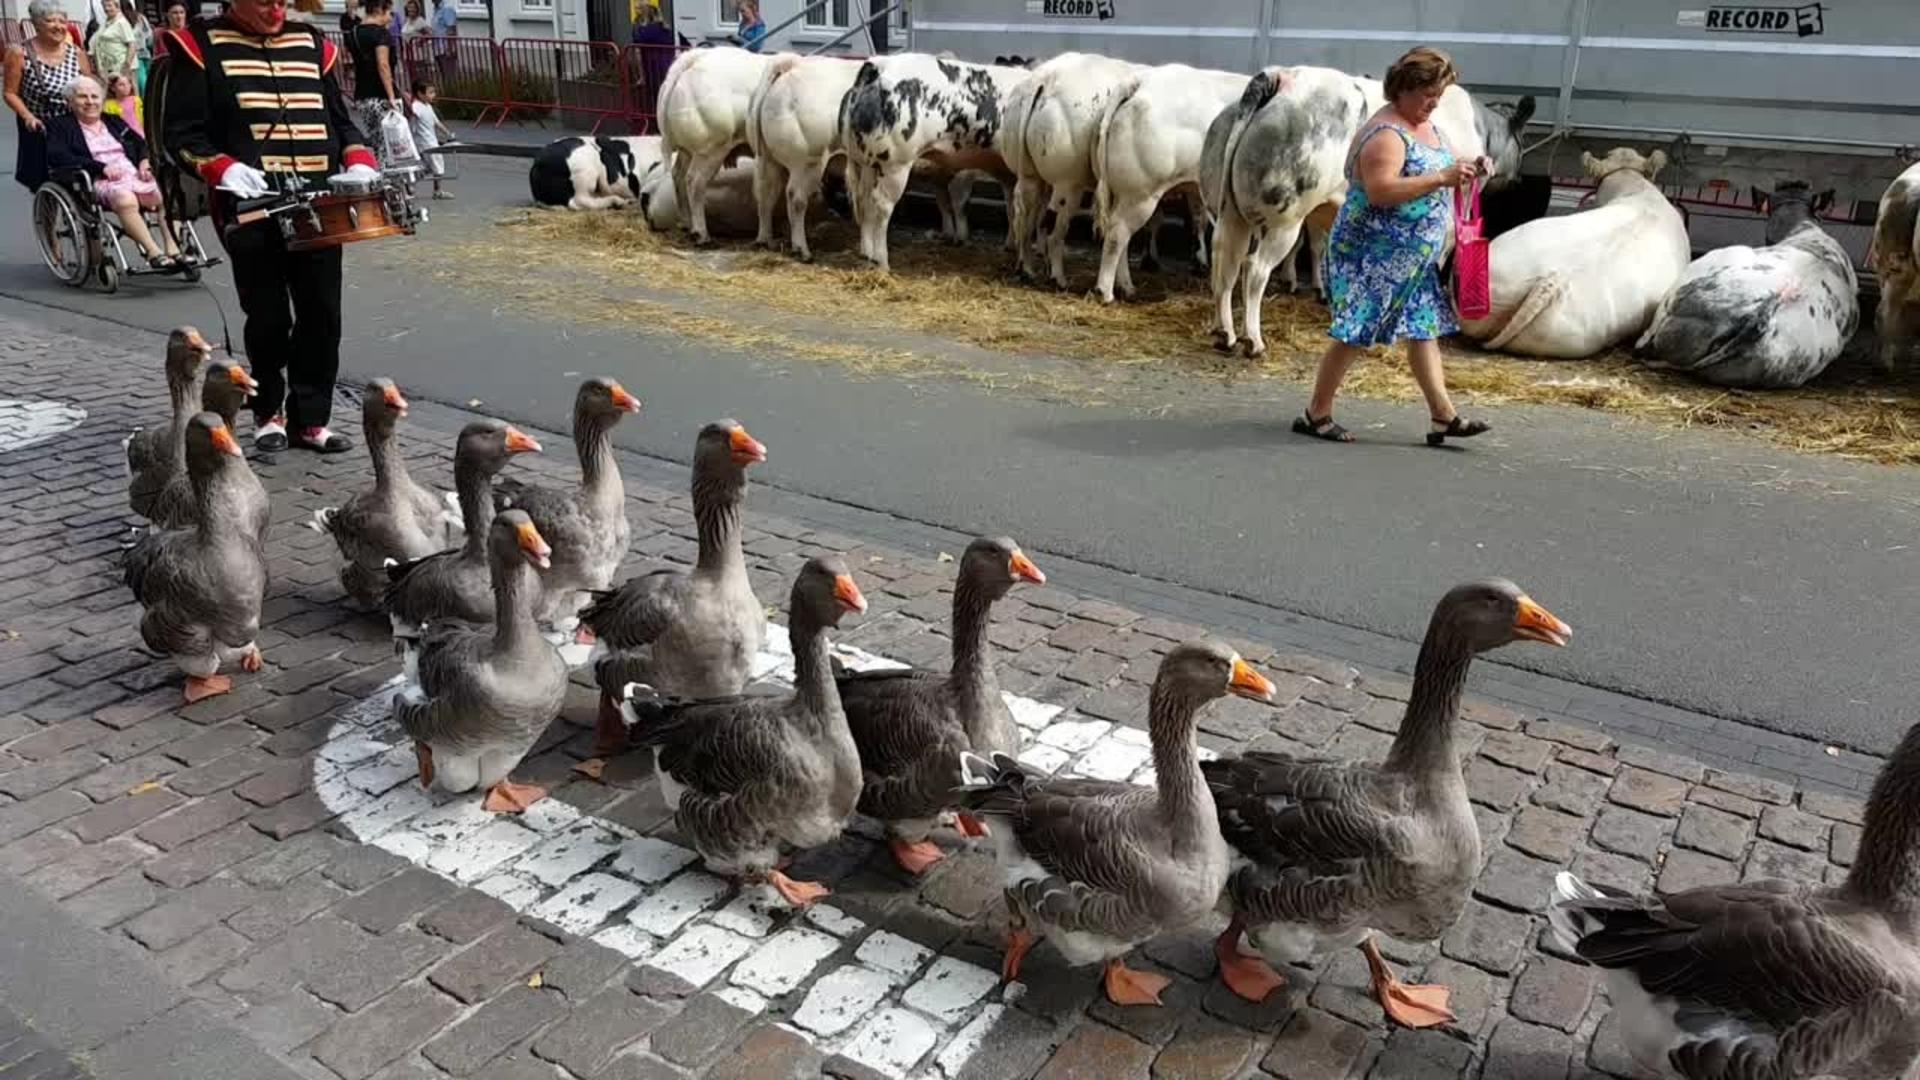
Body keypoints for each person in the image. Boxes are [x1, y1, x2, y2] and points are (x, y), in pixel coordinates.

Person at [160, 0, 379, 453]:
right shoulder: (198, 46)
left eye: (283, 0)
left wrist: (357, 159)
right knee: (268, 316)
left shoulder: (312, 43)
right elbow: (181, 134)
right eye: (265, 1)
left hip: (318, 203)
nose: (277, 9)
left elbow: (340, 121)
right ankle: (268, 412)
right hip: (250, 206)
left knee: (322, 313)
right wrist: (221, 169)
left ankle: (311, 419)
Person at [1295, 45, 1489, 447]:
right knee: (1355, 332)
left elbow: (1443, 162)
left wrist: (1472, 166)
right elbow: (1382, 191)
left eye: (1439, 95)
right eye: (1426, 95)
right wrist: (1441, 179)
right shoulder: (1387, 134)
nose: (1433, 103)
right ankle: (1316, 413)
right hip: (1374, 257)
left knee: (1423, 329)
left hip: (1410, 259)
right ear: (1402, 90)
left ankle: (1443, 416)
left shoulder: (1428, 126)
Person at [46, 74, 183, 268]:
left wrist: (144, 161)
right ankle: (154, 252)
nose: (90, 102)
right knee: (125, 199)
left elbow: (140, 143)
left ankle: (174, 249)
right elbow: (59, 156)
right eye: (82, 97)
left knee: (168, 195)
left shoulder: (113, 120)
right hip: (99, 179)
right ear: (70, 101)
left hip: (132, 173)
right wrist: (101, 167)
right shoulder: (60, 126)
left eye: (94, 97)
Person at [4, 0, 96, 193]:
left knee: (84, 174)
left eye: (62, 21)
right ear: (36, 24)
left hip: (73, 124)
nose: (59, 26)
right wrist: (27, 116)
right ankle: (46, 220)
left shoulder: (76, 53)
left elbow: (88, 84)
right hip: (40, 126)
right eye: (51, 21)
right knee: (45, 183)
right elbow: (10, 93)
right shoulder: (18, 53)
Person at [347, 0, 405, 164]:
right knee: (392, 143)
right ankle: (392, 184)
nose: (390, 18)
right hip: (381, 96)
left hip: (362, 96)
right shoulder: (380, 34)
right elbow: (383, 65)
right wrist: (392, 96)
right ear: (380, 10)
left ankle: (383, 180)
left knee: (377, 143)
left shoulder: (354, 32)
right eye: (389, 13)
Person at [408, 78, 449, 199]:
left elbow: (436, 122)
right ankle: (437, 191)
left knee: (427, 168)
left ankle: (410, 184)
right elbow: (412, 121)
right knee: (437, 166)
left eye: (433, 92)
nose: (433, 95)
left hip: (431, 141)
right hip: (425, 143)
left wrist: (447, 132)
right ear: (420, 94)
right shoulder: (416, 107)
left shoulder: (428, 106)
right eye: (430, 92)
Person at [89, 0, 137, 81]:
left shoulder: (122, 22)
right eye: (104, 6)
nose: (106, 9)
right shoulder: (106, 23)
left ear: (117, 7)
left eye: (109, 6)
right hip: (108, 69)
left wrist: (126, 66)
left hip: (121, 69)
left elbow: (132, 44)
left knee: (126, 91)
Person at [102, 70, 142, 134]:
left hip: (141, 133)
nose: (126, 87)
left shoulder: (136, 100)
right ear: (113, 88)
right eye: (121, 85)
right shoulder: (108, 105)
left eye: (128, 83)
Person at [126, 1, 153, 94]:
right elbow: (149, 36)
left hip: (141, 55)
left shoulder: (140, 19)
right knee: (144, 82)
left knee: (144, 82)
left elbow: (149, 36)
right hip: (140, 55)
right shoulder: (140, 18)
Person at [428, 0, 456, 81]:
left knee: (449, 77)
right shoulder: (435, 10)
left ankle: (451, 92)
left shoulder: (447, 9)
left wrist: (450, 50)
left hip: (445, 50)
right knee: (443, 76)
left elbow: (451, 30)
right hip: (437, 49)